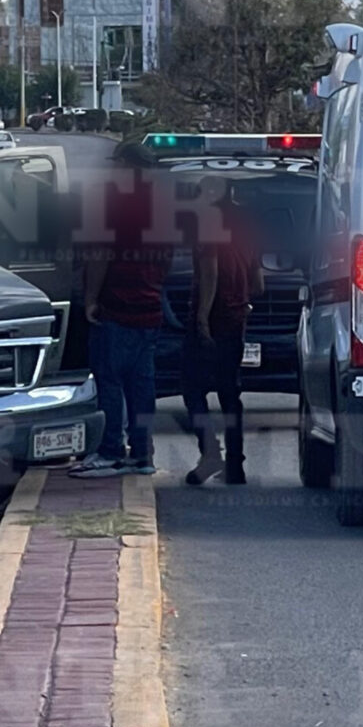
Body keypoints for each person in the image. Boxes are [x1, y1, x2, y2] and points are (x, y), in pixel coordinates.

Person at [70, 141, 171, 479]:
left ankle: (111, 450)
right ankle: (142, 454)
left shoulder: (113, 201)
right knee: (142, 384)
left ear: (128, 166)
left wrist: (91, 299)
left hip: (117, 306)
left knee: (110, 381)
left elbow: (100, 253)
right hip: (149, 307)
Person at [183, 176, 262, 486]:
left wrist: (202, 316)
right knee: (230, 392)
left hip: (212, 319)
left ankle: (210, 453)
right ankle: (235, 465)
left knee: (192, 390)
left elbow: (210, 271)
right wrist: (242, 303)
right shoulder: (248, 228)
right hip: (236, 317)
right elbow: (259, 283)